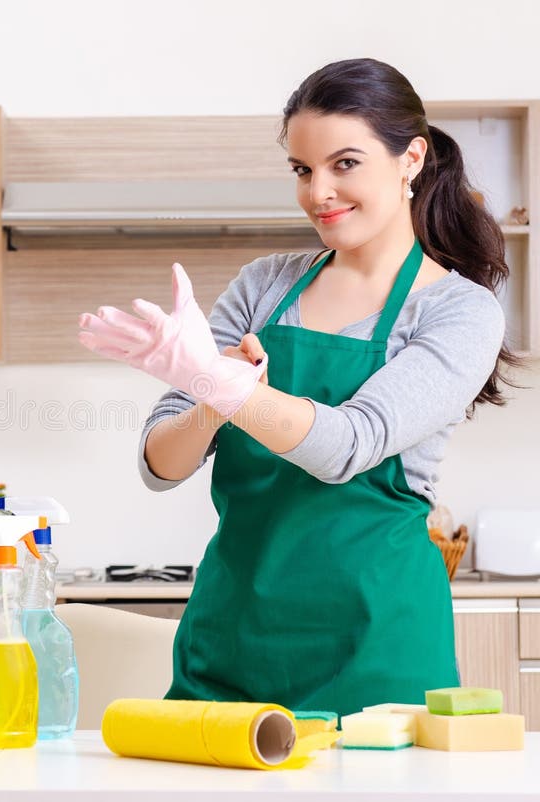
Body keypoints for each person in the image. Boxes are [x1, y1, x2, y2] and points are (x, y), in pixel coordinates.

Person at [77, 58, 519, 718]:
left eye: (345, 164)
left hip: (375, 646)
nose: (319, 193)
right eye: (303, 170)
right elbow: (159, 466)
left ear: (411, 159)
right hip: (232, 639)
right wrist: (206, 398)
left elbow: (350, 445)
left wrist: (222, 385)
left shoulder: (458, 311)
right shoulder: (264, 285)